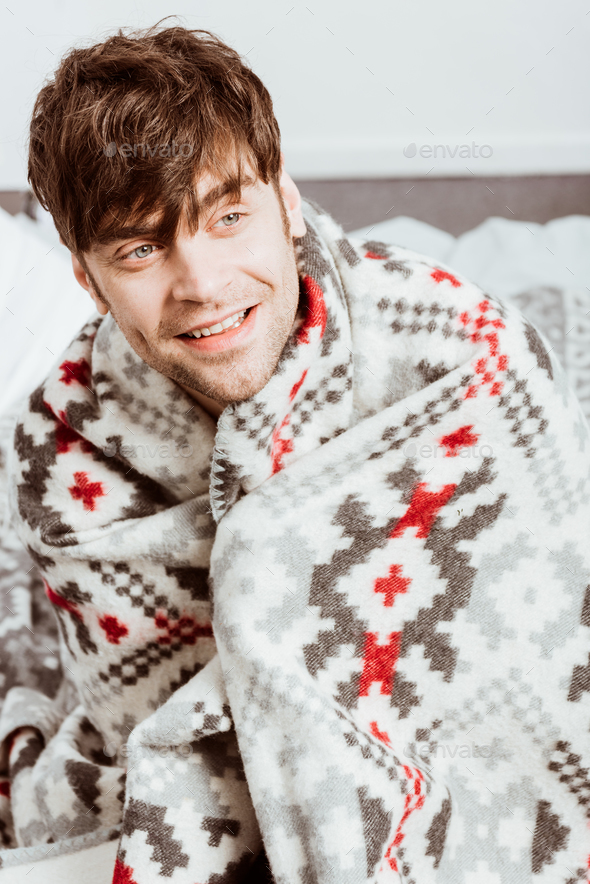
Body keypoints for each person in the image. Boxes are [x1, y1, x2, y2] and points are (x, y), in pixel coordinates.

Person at [3, 21, 590, 884]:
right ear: (86, 278)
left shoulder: (465, 354)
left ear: (287, 203)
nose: (201, 283)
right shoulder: (63, 446)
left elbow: (544, 661)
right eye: (141, 247)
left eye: (228, 217)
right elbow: (154, 727)